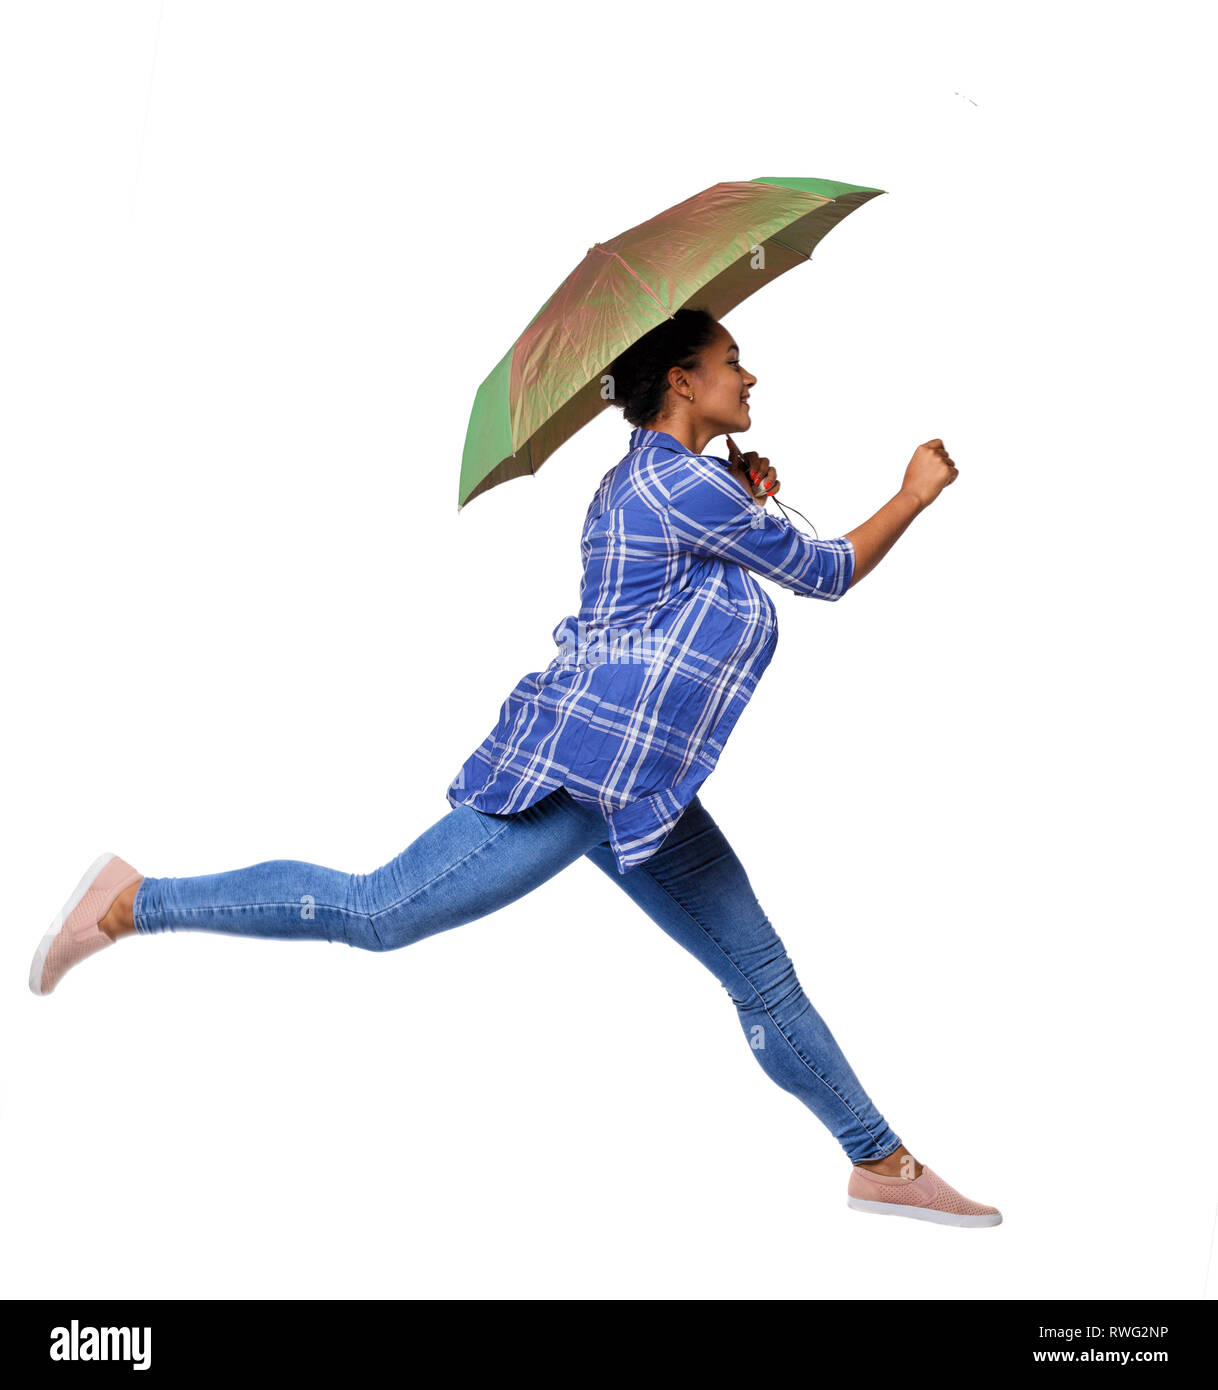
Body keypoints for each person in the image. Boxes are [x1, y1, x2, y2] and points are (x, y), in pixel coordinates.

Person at [29, 307, 1001, 1228]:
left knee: (761, 973)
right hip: (579, 774)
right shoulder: (677, 484)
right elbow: (825, 570)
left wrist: (746, 499)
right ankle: (131, 900)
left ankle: (881, 1163)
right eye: (732, 360)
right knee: (377, 910)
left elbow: (674, 592)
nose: (749, 376)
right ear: (682, 378)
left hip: (638, 794)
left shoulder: (655, 481)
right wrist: (912, 492)